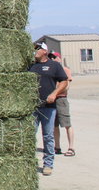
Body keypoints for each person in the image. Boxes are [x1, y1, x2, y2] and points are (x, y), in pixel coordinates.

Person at [31, 41, 68, 176]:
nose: (35, 51)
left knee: (48, 136)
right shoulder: (30, 66)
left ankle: (48, 164)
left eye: (37, 49)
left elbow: (64, 81)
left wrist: (54, 94)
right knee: (29, 136)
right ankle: (30, 163)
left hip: (48, 107)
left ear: (44, 51)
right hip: (33, 107)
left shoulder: (54, 65)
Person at [50, 52, 76, 157]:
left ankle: (71, 147)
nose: (53, 59)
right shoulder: (51, 70)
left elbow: (66, 86)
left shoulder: (65, 70)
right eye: (51, 57)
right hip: (52, 100)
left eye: (54, 57)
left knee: (66, 124)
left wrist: (55, 92)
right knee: (54, 125)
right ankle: (57, 147)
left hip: (61, 99)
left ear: (59, 58)